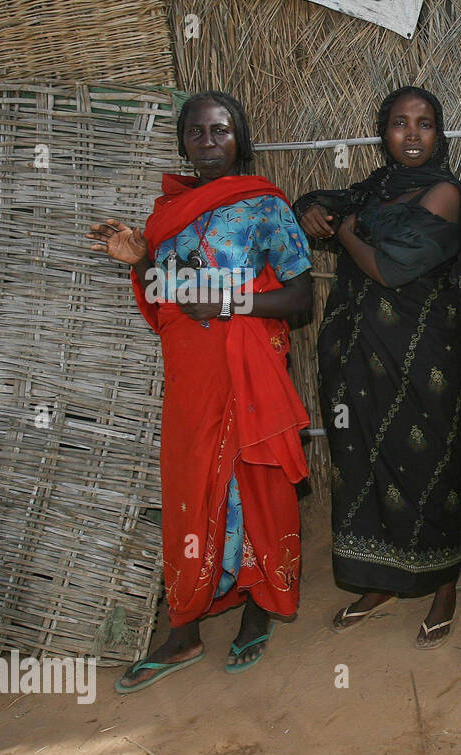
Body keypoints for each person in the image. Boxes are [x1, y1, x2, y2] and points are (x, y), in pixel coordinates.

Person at [89, 90, 313, 691]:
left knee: (253, 481)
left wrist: (232, 301)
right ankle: (183, 630)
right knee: (191, 485)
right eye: (197, 132)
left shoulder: (264, 206)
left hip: (247, 372)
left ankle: (259, 606)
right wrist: (139, 262)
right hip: (190, 375)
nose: (209, 141)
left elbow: (301, 296)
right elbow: (166, 298)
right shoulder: (168, 213)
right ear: (184, 141)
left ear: (239, 137)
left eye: (220, 130)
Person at [294, 87, 461, 649]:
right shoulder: (375, 188)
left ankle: (443, 582)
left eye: (424, 123)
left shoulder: (444, 193)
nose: (412, 134)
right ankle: (381, 581)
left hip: (426, 363)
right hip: (360, 358)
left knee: (433, 466)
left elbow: (392, 268)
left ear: (439, 133)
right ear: (384, 133)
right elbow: (319, 202)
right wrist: (311, 206)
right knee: (365, 467)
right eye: (400, 123)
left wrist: (346, 229)